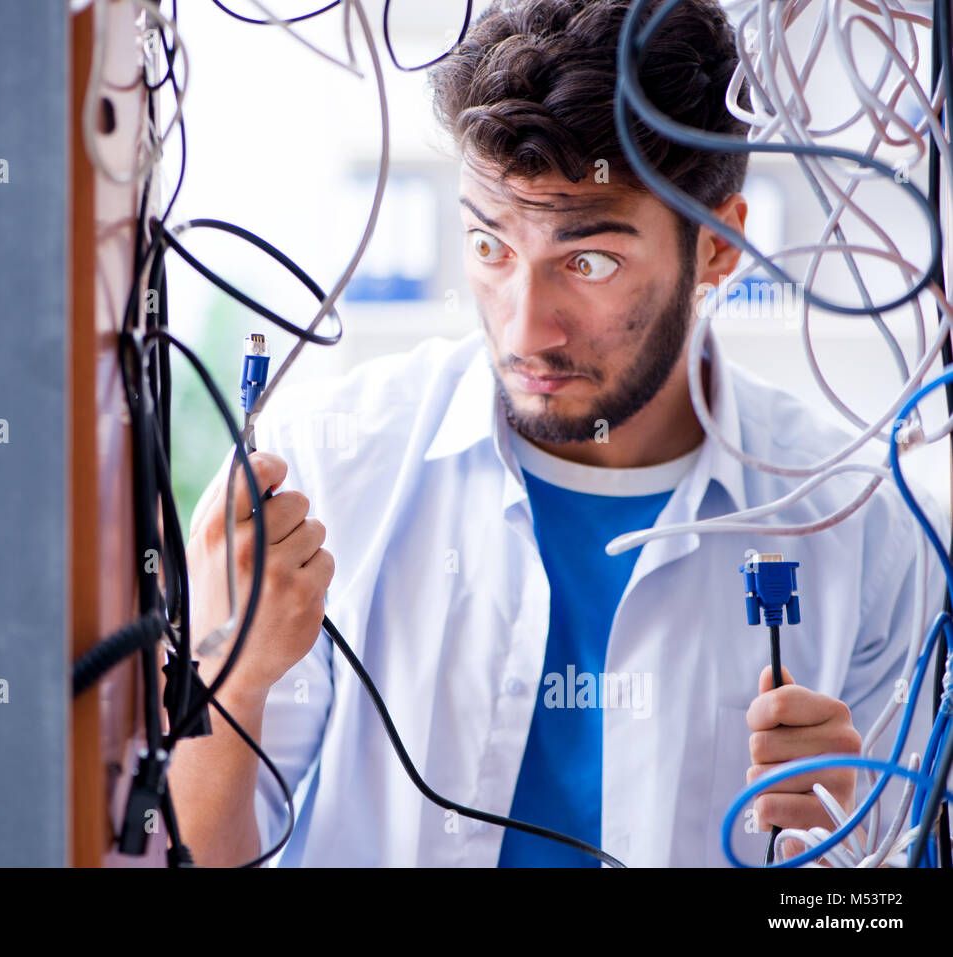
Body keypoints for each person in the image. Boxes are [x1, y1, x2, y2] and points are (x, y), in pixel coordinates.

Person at [166, 0, 943, 866]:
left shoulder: (868, 528)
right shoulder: (328, 475)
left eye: (589, 260)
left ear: (720, 245)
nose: (526, 330)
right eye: (491, 247)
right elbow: (196, 857)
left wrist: (851, 852)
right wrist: (227, 673)